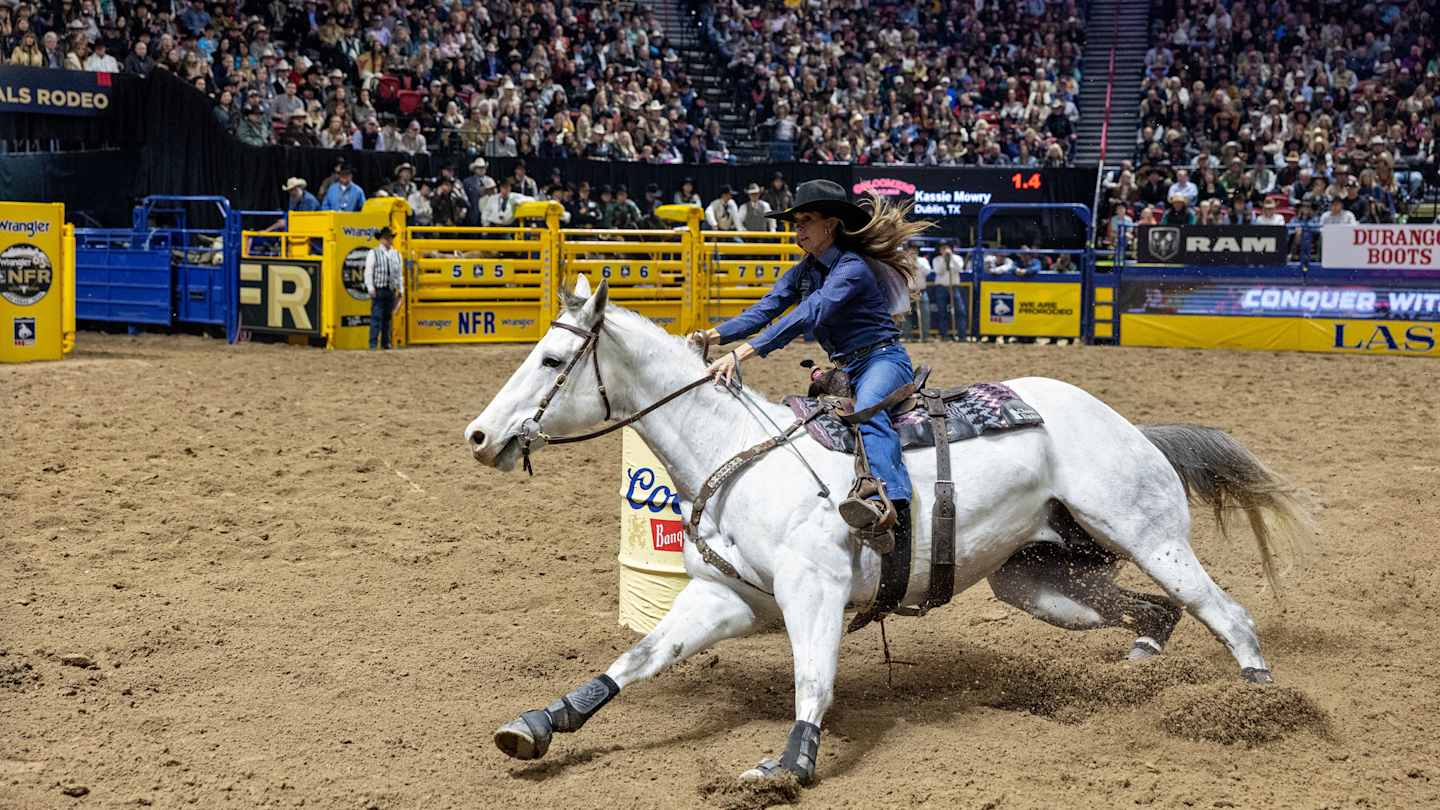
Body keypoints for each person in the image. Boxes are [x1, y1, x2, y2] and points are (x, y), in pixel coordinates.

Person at [690, 180, 931, 543]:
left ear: (830, 225)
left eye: (805, 220)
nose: (797, 228)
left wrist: (742, 353)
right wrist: (714, 335)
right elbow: (766, 308)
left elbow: (808, 313)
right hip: (849, 366)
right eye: (796, 221)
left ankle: (892, 503)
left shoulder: (852, 268)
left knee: (867, 409)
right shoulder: (807, 270)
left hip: (883, 360)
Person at [363, 226, 404, 350]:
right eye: (386, 238)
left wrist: (400, 289)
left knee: (387, 318)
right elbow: (368, 271)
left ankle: (386, 343)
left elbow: (399, 274)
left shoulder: (396, 254)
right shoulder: (373, 253)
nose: (388, 240)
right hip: (379, 289)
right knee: (376, 317)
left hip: (390, 289)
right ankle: (373, 344)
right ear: (381, 239)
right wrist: (370, 287)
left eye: (390, 237)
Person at [929, 242, 967, 340]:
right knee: (942, 312)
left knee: (960, 311)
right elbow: (939, 271)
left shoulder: (957, 258)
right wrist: (945, 261)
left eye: (946, 248)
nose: (944, 250)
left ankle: (962, 335)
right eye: (942, 248)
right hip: (941, 287)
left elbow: (959, 268)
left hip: (954, 287)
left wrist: (951, 258)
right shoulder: (936, 259)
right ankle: (944, 335)